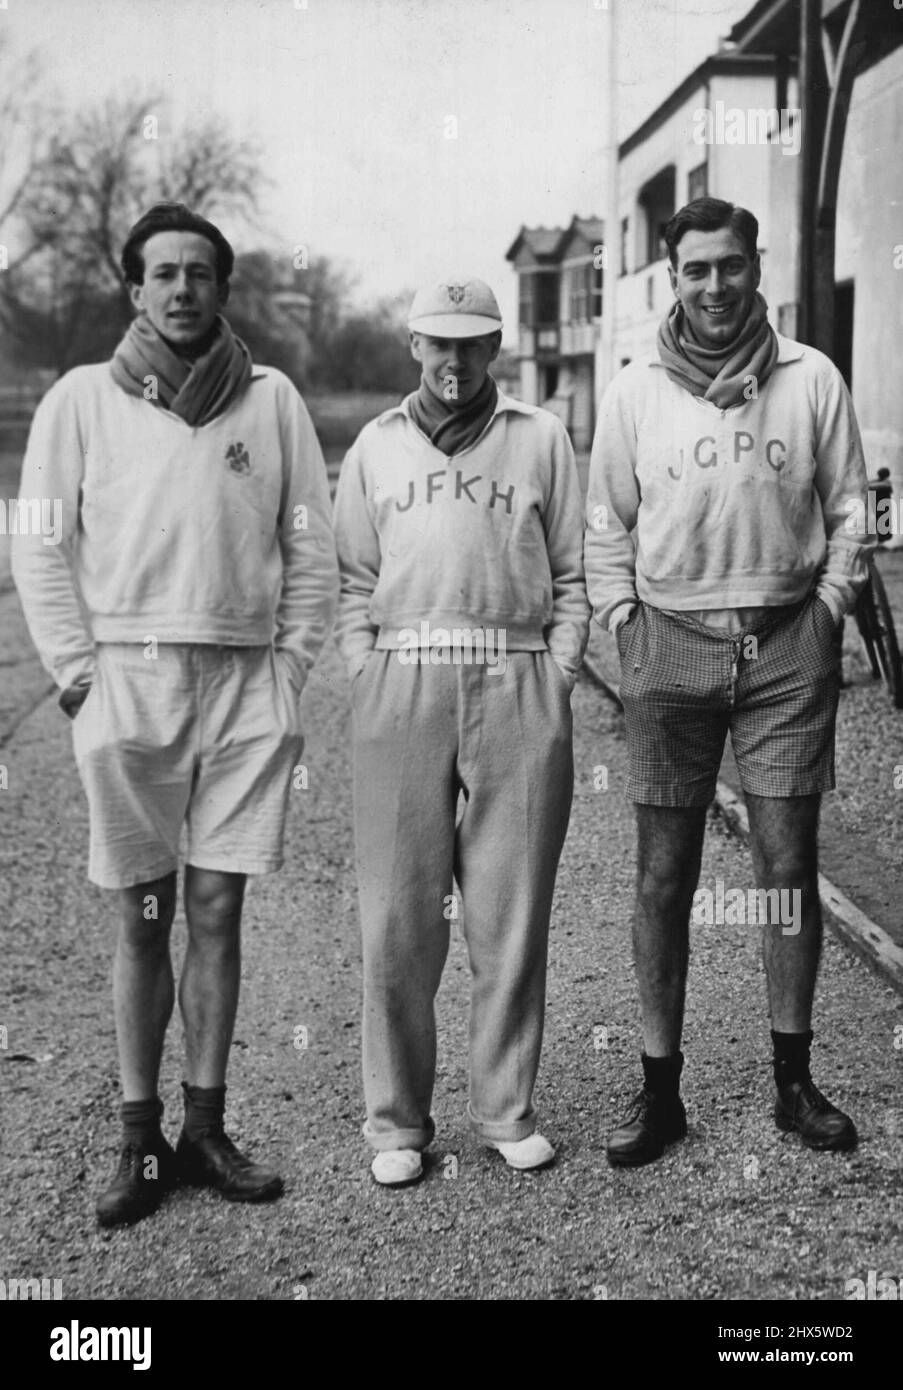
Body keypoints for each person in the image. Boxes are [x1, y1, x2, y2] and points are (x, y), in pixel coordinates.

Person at [12, 202, 338, 1224]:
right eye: (164, 273)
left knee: (217, 910)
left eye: (201, 273)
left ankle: (205, 1127)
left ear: (222, 288)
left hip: (244, 683)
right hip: (128, 682)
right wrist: (77, 676)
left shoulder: (272, 398)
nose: (183, 288)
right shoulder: (80, 400)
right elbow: (39, 543)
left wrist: (288, 671)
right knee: (143, 915)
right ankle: (138, 1136)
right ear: (135, 287)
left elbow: (313, 546)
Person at [584, 198, 872, 1166]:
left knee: (787, 868)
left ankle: (794, 1083)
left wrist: (829, 608)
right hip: (670, 644)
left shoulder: (811, 378)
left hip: (786, 645)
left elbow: (849, 510)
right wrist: (624, 621)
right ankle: (660, 1090)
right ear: (674, 277)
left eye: (732, 266)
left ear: (759, 267)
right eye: (697, 269)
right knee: (664, 876)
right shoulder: (634, 393)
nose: (716, 286)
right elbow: (606, 525)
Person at [333, 277, 589, 1186]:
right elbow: (351, 578)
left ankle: (504, 1109)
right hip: (403, 675)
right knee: (399, 914)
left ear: (495, 348)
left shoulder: (540, 436)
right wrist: (365, 669)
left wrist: (556, 670)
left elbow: (573, 570)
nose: (454, 361)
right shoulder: (374, 446)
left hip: (516, 672)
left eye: (472, 343)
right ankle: (397, 1121)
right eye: (438, 344)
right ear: (413, 346)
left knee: (508, 911)